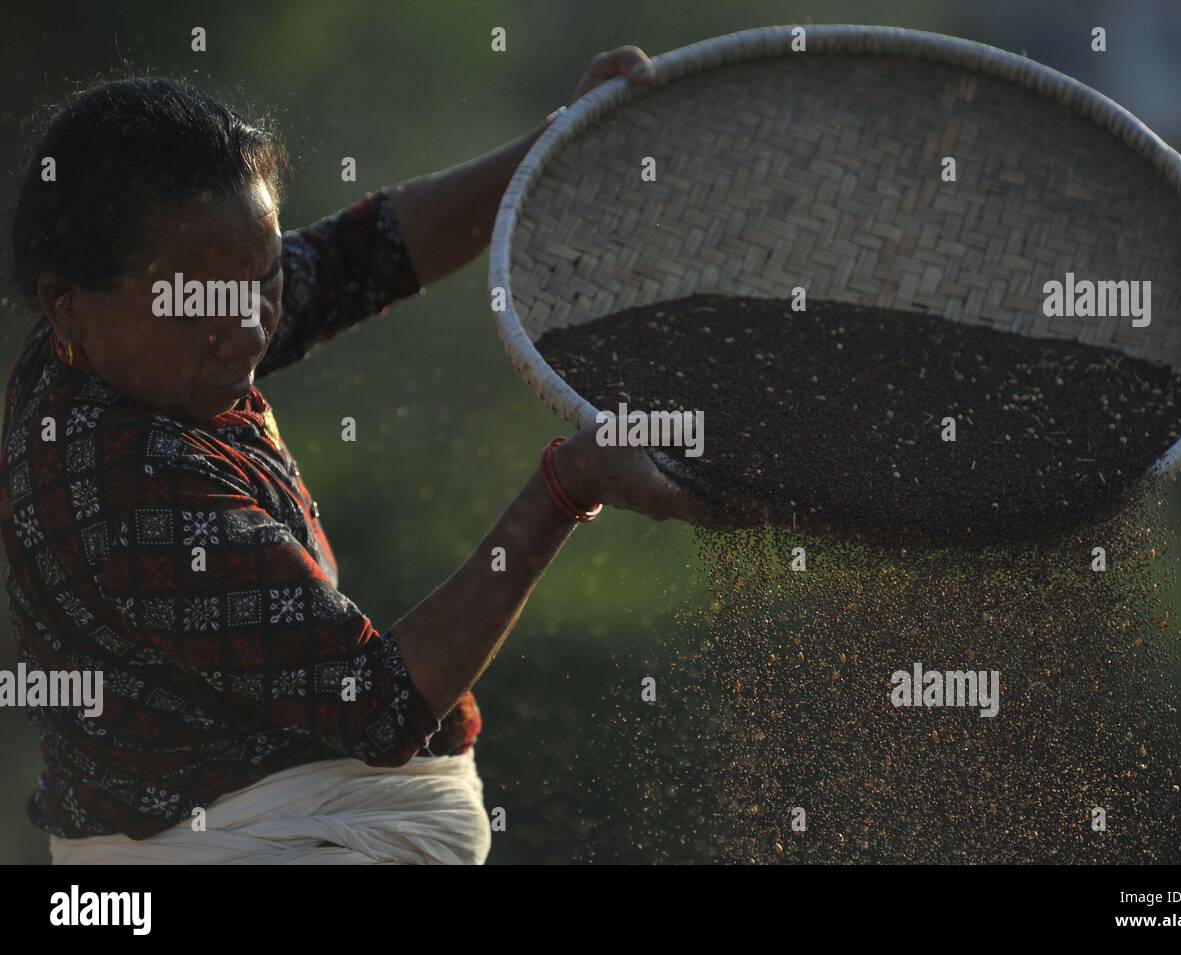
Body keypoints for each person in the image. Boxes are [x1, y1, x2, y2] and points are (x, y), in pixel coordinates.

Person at [2, 47, 716, 864]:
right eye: (196, 301)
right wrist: (567, 486)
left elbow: (357, 259)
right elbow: (379, 704)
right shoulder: (124, 478)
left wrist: (547, 155)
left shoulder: (132, 338)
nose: (243, 329)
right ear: (69, 305)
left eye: (262, 279)